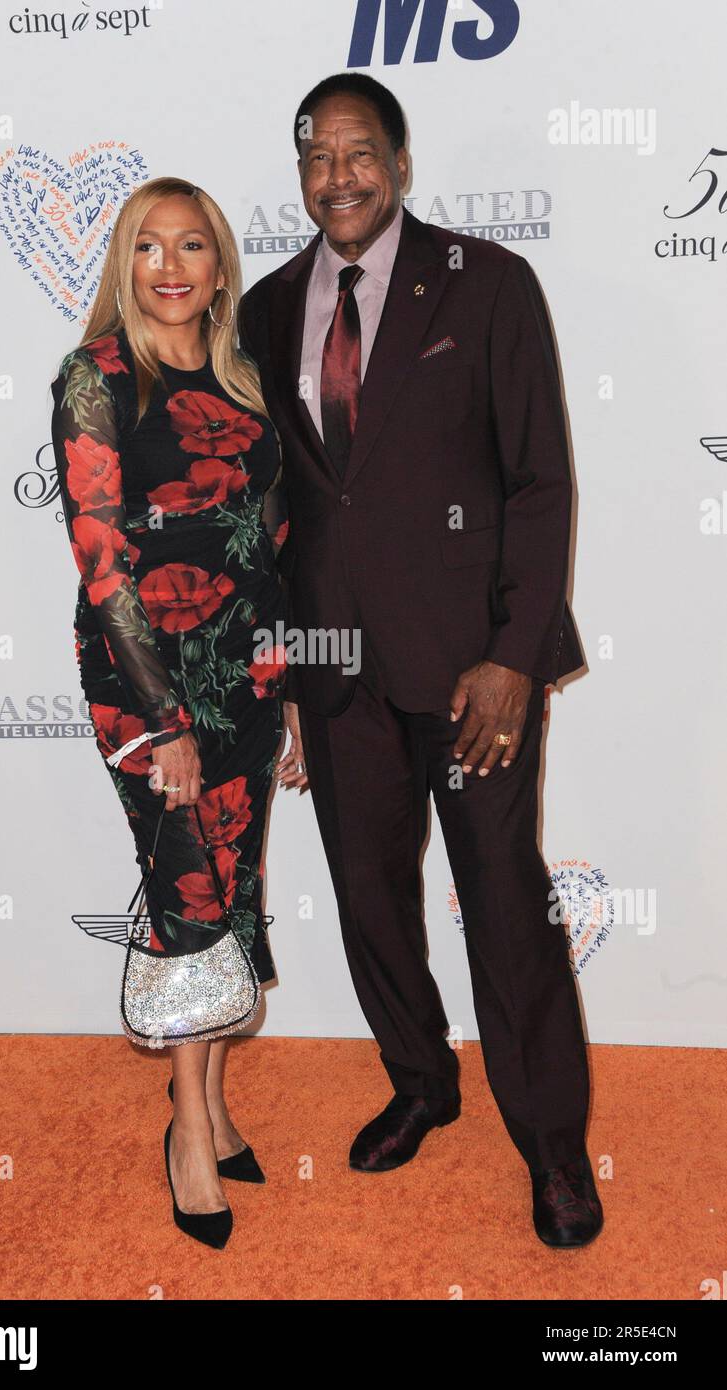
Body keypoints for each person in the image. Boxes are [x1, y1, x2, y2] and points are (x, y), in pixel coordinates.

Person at [238, 73, 603, 1248]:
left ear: (397, 161)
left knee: (502, 904)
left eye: (358, 152)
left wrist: (511, 656)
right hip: (335, 664)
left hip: (469, 675)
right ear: (299, 174)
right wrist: (292, 671)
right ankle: (420, 1079)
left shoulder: (487, 284)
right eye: (314, 157)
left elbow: (540, 482)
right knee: (369, 899)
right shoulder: (266, 306)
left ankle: (552, 1145)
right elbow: (282, 510)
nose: (336, 174)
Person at [49, 177, 304, 1250]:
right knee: (188, 892)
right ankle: (188, 1128)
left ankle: (209, 1100)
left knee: (231, 885)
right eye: (146, 246)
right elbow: (104, 567)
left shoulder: (245, 377)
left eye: (191, 245)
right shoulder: (96, 379)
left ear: (217, 266)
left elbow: (272, 547)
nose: (168, 266)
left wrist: (282, 693)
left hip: (243, 676)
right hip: (147, 685)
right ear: (124, 263)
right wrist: (167, 723)